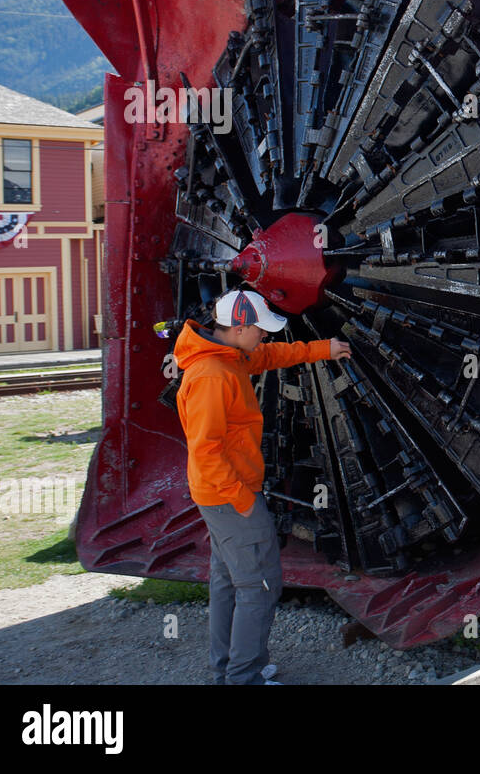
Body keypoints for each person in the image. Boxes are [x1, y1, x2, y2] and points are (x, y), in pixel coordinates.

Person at [173, 289, 351, 685]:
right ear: (238, 328)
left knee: (228, 583)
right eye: (260, 330)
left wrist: (324, 348)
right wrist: (243, 501)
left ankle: (228, 670)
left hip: (219, 495)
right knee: (261, 583)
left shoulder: (227, 358)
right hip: (229, 495)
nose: (265, 337)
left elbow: (270, 357)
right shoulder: (212, 376)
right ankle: (245, 676)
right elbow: (205, 450)